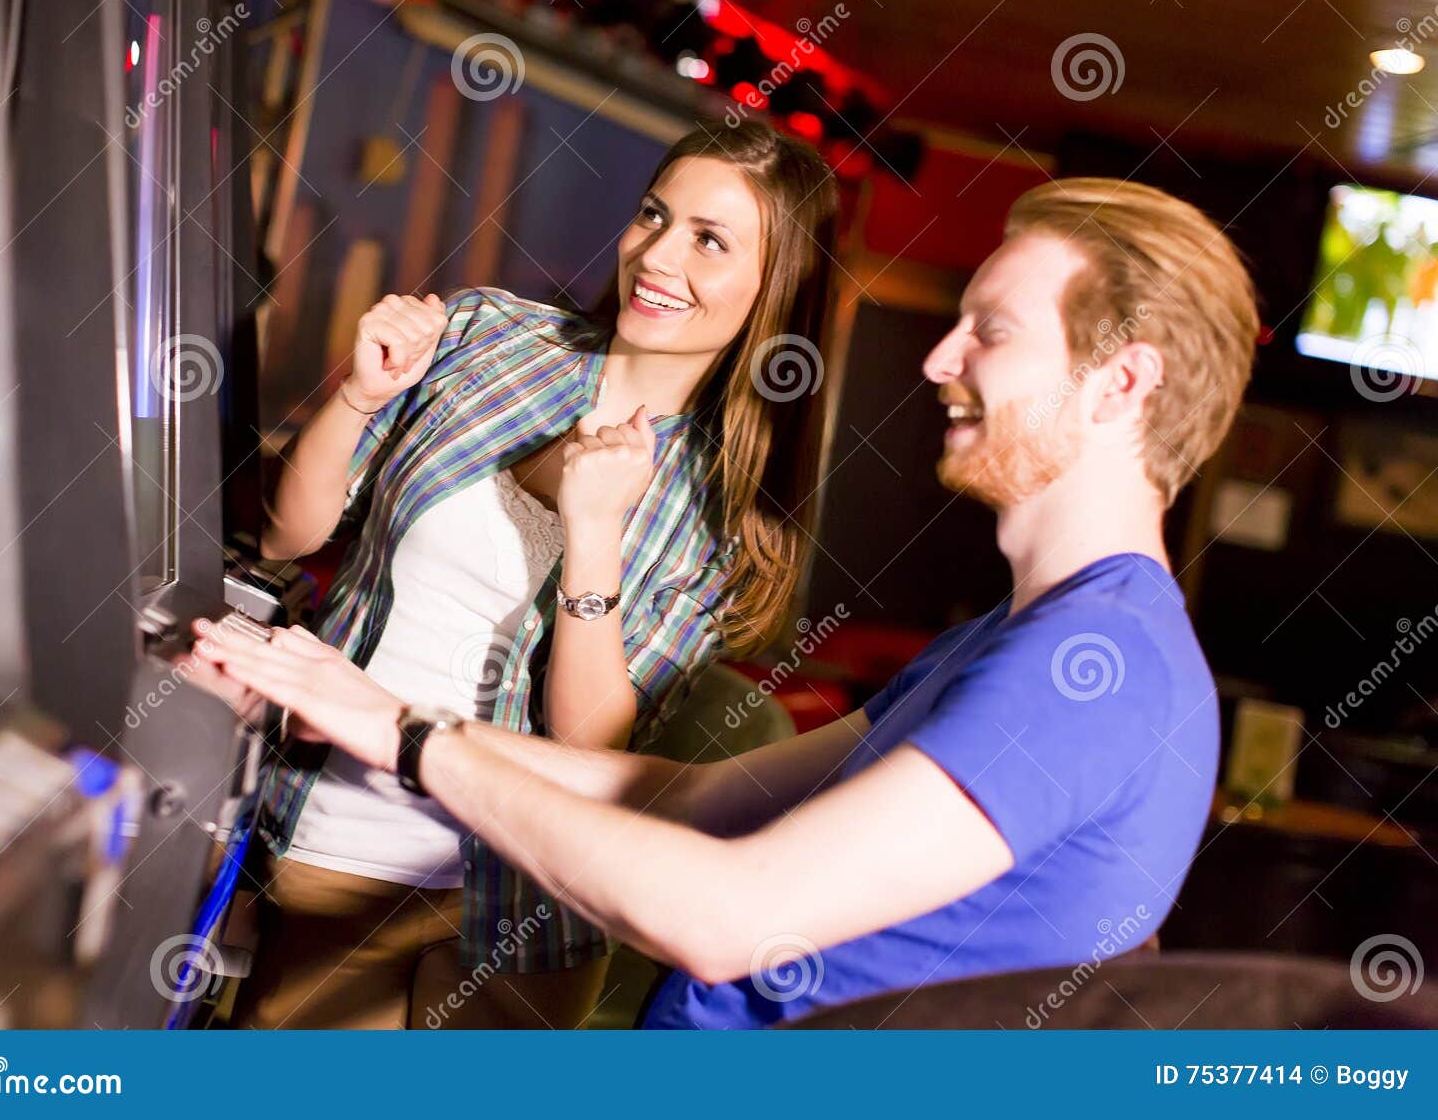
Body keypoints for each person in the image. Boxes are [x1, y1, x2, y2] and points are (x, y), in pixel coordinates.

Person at [200, 176, 1258, 1028]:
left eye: (991, 330)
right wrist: (358, 703)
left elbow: (729, 914)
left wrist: (408, 737)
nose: (940, 358)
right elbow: (694, 797)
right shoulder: (1017, 636)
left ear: (1120, 384)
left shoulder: (1097, 664)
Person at [232, 119, 838, 1029]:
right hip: (331, 845)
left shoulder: (727, 516)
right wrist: (357, 395)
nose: (658, 255)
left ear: (771, 288)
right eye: (652, 215)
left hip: (513, 916)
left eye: (709, 240)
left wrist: (593, 539)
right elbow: (287, 531)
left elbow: (589, 746)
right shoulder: (491, 337)